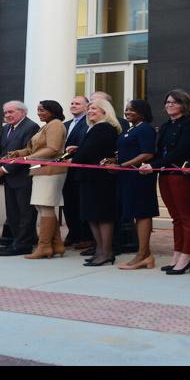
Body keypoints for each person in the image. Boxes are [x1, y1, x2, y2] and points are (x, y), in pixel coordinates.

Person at [153, 90, 190, 274]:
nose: (169, 105)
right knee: (176, 218)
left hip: (181, 175)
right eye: (167, 102)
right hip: (165, 173)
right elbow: (160, 150)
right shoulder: (166, 126)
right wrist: (152, 165)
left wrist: (154, 165)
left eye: (174, 102)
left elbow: (181, 151)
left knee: (187, 217)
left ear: (184, 104)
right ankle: (178, 253)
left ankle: (188, 255)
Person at [16, 100, 68, 259]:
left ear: (53, 111)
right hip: (40, 170)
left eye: (42, 110)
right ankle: (56, 244)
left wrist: (27, 158)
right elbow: (35, 148)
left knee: (45, 207)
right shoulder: (46, 126)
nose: (38, 112)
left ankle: (44, 246)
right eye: (38, 110)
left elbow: (52, 149)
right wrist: (18, 153)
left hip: (51, 171)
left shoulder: (56, 124)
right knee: (41, 206)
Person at [73, 100, 122, 266]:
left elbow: (87, 152)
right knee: (91, 216)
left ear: (104, 111)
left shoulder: (104, 128)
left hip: (100, 180)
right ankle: (100, 250)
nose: (89, 111)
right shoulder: (93, 128)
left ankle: (106, 252)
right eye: (88, 109)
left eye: (93, 108)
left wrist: (77, 154)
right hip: (89, 178)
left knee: (102, 216)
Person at [115, 98, 158, 269]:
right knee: (134, 213)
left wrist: (122, 166)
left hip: (139, 176)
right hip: (127, 177)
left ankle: (143, 254)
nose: (128, 112)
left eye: (132, 109)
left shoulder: (146, 129)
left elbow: (147, 154)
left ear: (142, 112)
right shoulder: (130, 129)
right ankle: (144, 255)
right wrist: (113, 161)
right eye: (126, 109)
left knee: (142, 213)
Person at [0, 100, 40, 257]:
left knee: (25, 213)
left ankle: (24, 245)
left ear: (23, 112)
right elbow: (5, 150)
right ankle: (17, 241)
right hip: (9, 178)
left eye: (11, 112)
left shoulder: (31, 127)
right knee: (12, 213)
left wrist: (5, 169)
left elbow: (27, 153)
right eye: (5, 112)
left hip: (23, 177)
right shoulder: (6, 128)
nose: (7, 115)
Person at [60, 95, 95, 251]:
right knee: (68, 203)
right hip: (64, 170)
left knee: (80, 202)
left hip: (80, 168)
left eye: (78, 103)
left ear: (87, 106)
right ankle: (73, 233)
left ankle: (85, 236)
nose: (73, 105)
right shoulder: (65, 124)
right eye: (72, 103)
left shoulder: (89, 123)